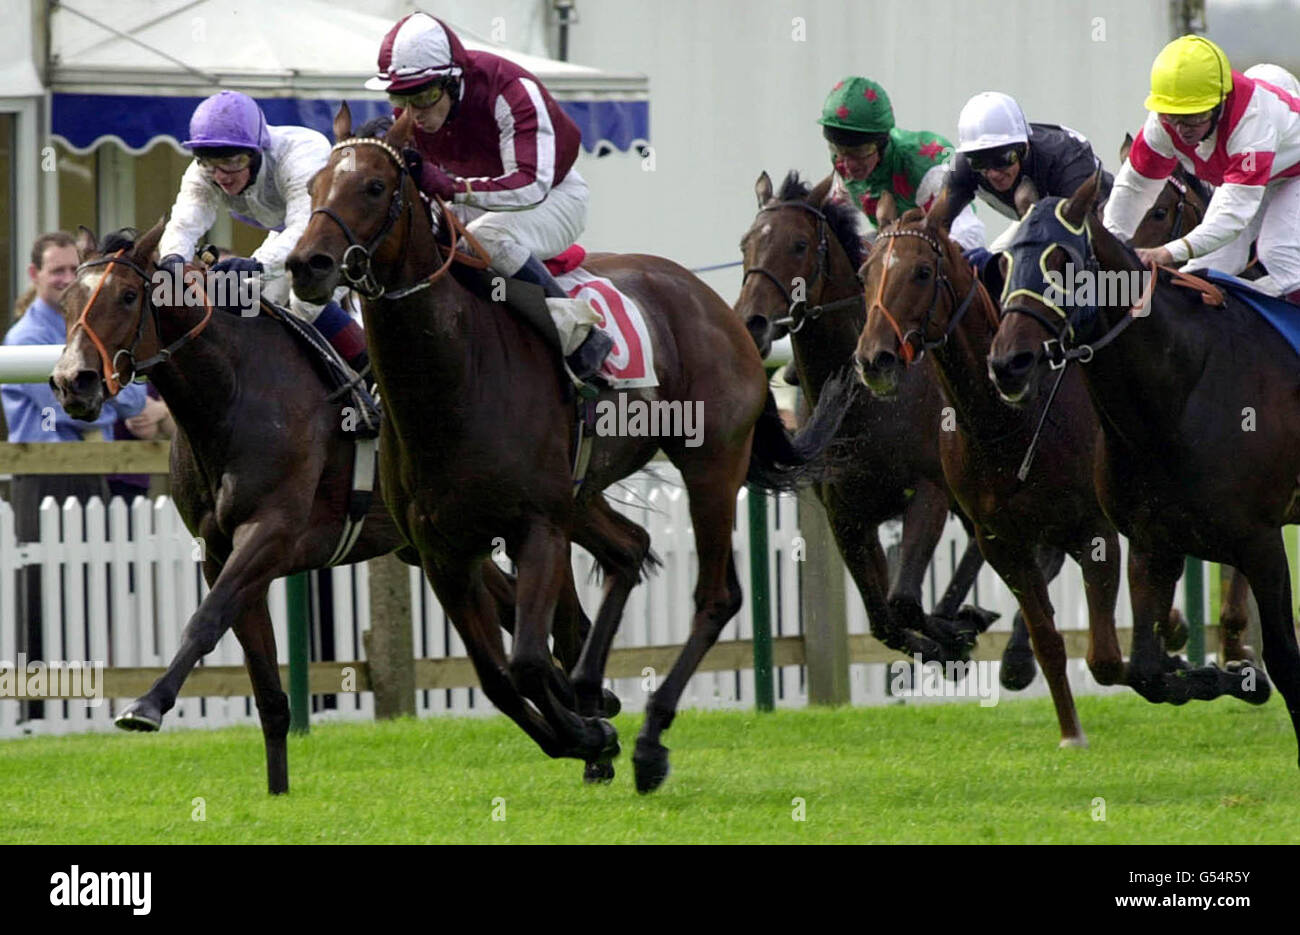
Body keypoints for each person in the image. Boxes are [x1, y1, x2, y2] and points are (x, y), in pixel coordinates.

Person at [365, 12, 611, 395]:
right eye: (401, 99)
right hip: (481, 203)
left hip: (553, 197)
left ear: (453, 80)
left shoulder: (511, 91)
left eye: (425, 97)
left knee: (487, 238)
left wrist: (453, 186)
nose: (414, 114)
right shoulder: (413, 112)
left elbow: (531, 185)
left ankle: (580, 336)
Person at [2, 232, 149, 720]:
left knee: (92, 591)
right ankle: (39, 711)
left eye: (72, 270)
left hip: (91, 473)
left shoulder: (79, 325)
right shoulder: (24, 339)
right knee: (41, 596)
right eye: (57, 271)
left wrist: (106, 393)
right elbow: (82, 404)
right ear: (35, 276)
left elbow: (115, 391)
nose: (66, 278)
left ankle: (85, 708)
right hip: (45, 477)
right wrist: (112, 395)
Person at [156, 91, 370, 373]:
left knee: (304, 300)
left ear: (258, 150)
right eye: (210, 163)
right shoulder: (202, 170)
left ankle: (372, 376)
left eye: (234, 161)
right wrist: (173, 261)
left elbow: (304, 228)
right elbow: (184, 224)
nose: (222, 175)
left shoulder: (302, 152)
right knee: (245, 296)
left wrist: (256, 266)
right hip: (289, 234)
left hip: (337, 234)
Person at [1104, 35, 1300, 303]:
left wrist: (1166, 252)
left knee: (1279, 252)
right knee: (1205, 268)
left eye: (1195, 116)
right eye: (1175, 117)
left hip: (1292, 174)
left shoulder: (1252, 122)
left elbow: (1232, 216)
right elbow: (1134, 187)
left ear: (1221, 103)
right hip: (1255, 179)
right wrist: (1108, 244)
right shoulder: (1161, 124)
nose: (1183, 129)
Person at [941, 91, 1113, 266]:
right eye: (980, 162)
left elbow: (1071, 240)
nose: (992, 173)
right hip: (1035, 219)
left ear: (1025, 148)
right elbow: (936, 225)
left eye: (1002, 159)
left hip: (1100, 220)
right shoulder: (962, 164)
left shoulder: (1066, 158)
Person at [817, 76, 985, 252]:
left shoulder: (924, 167)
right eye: (838, 149)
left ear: (882, 143)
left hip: (940, 249)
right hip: (893, 240)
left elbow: (970, 233)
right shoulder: (842, 162)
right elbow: (838, 215)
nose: (849, 165)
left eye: (860, 152)